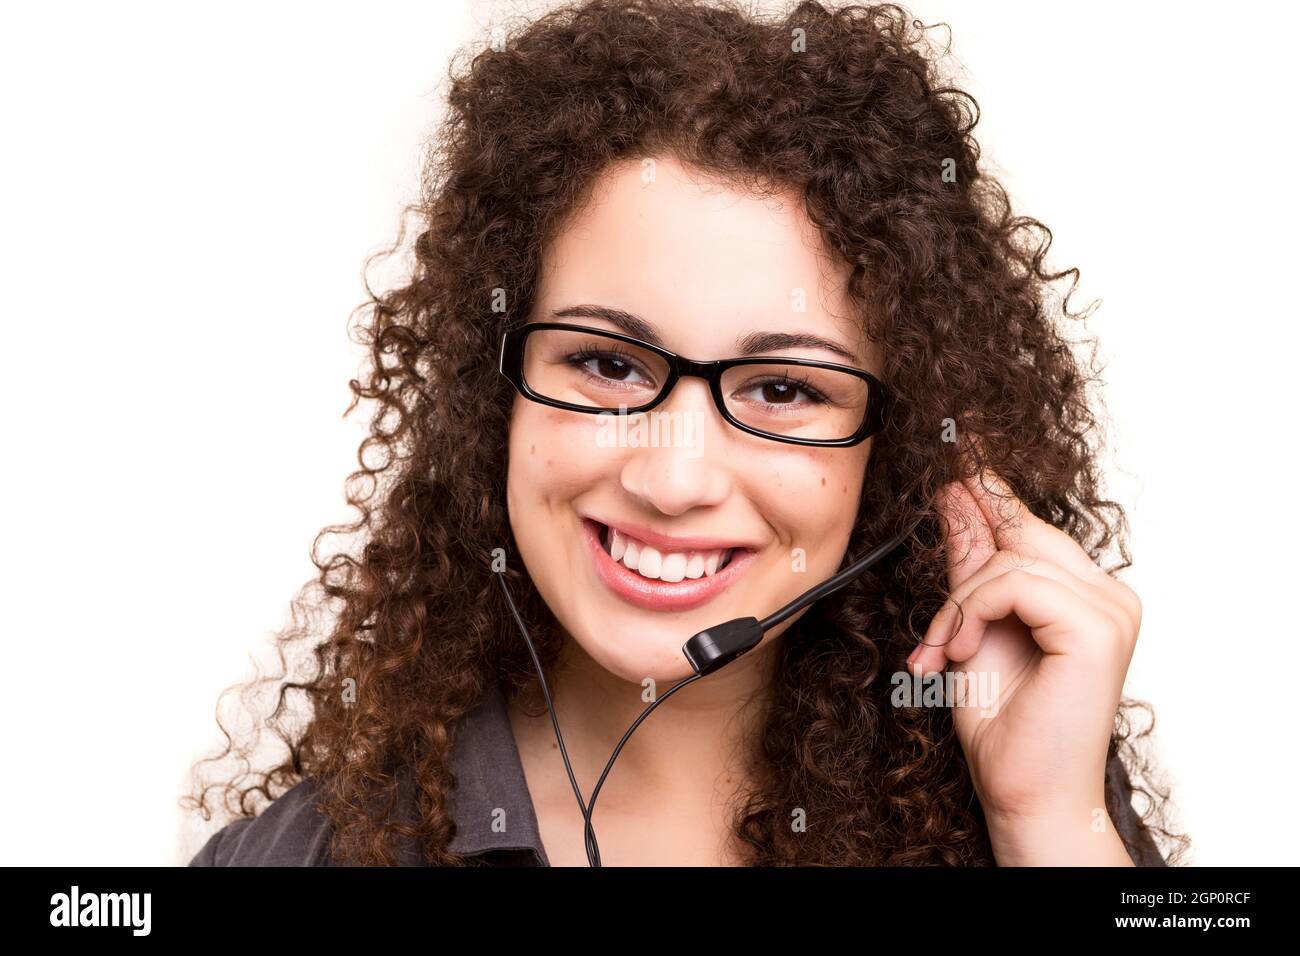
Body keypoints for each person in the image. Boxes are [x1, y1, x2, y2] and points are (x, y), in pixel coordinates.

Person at [184, 0, 1188, 867]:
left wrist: (1047, 821)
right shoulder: (306, 855)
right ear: (496, 391)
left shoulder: (1041, 811)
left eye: (785, 387)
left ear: (899, 455)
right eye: (607, 363)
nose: (673, 478)